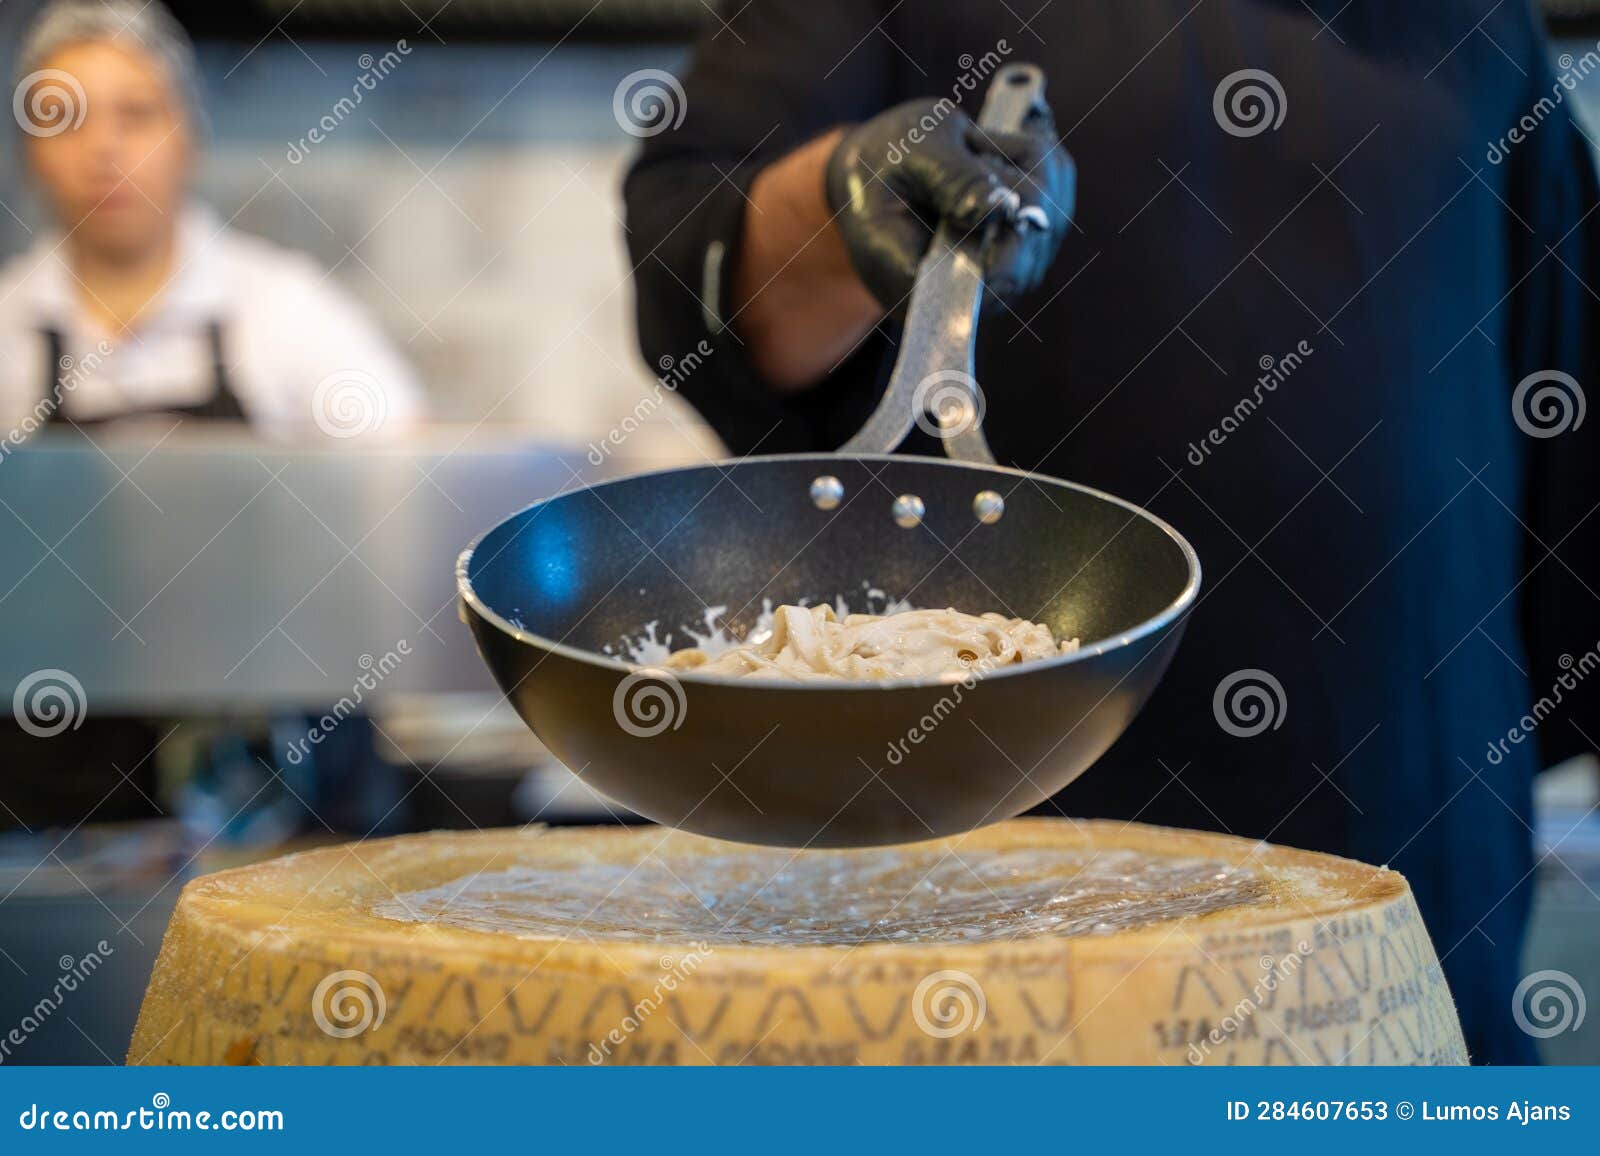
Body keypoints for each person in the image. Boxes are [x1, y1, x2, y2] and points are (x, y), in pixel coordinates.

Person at [624, 1, 1600, 1064]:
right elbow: (696, 259)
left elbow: (1567, 426)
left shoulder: (1472, 22)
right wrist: (837, 205)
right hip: (981, 901)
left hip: (1410, 874)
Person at [0, 0, 424, 439]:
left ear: (188, 137)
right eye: (67, 119)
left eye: (136, 114)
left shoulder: (284, 306)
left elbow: (407, 462)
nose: (103, 149)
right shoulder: (7, 323)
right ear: (28, 152)